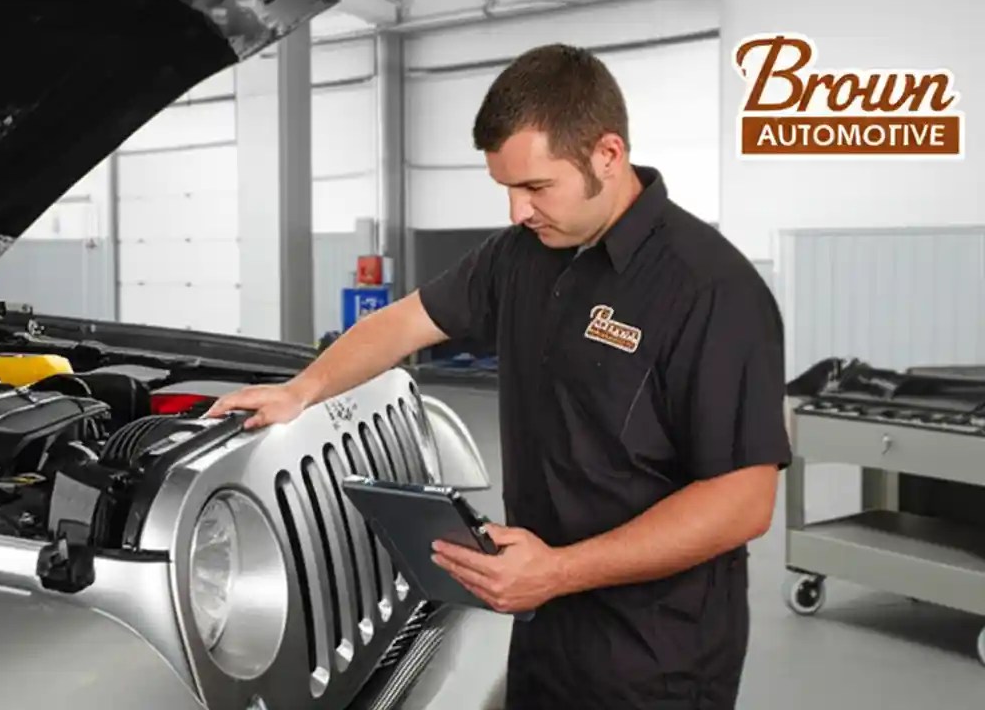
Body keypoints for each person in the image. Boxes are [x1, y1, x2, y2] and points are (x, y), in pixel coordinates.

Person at [206, 42, 790, 709]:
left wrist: (562, 569)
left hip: (655, 657)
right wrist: (301, 390)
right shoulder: (522, 256)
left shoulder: (711, 290)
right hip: (542, 627)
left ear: (607, 155)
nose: (517, 211)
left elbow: (743, 501)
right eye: (507, 188)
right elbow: (404, 321)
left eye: (536, 186)